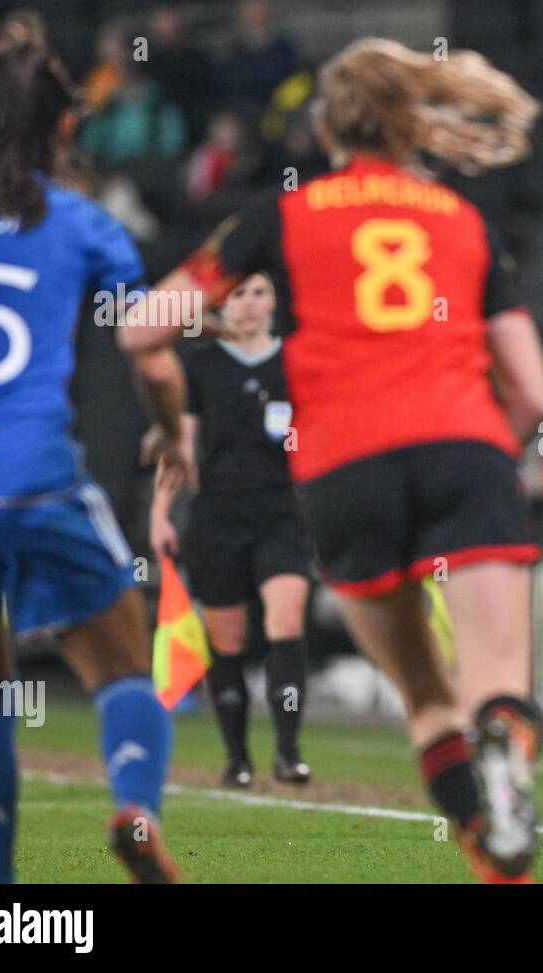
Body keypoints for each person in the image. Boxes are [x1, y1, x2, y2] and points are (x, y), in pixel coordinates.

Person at [127, 38, 543, 884]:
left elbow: (141, 327)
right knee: (495, 683)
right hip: (462, 445)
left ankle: (502, 860)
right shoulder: (460, 219)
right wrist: (484, 456)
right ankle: (505, 739)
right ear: (409, 123)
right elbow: (536, 391)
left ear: (326, 128)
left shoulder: (282, 214)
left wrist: (172, 424)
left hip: (344, 468)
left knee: (427, 700)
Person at [0, 40, 187, 883]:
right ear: (70, 125)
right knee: (124, 667)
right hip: (31, 479)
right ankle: (135, 807)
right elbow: (146, 349)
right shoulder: (84, 223)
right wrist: (173, 431)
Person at [149, 272, 313, 788]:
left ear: (274, 300)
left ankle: (288, 753)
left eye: (259, 292)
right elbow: (180, 443)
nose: (248, 304)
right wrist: (160, 512)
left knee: (286, 622)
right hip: (218, 515)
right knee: (228, 641)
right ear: (221, 304)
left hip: (283, 513)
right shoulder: (200, 366)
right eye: (237, 294)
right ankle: (237, 758)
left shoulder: (297, 362)